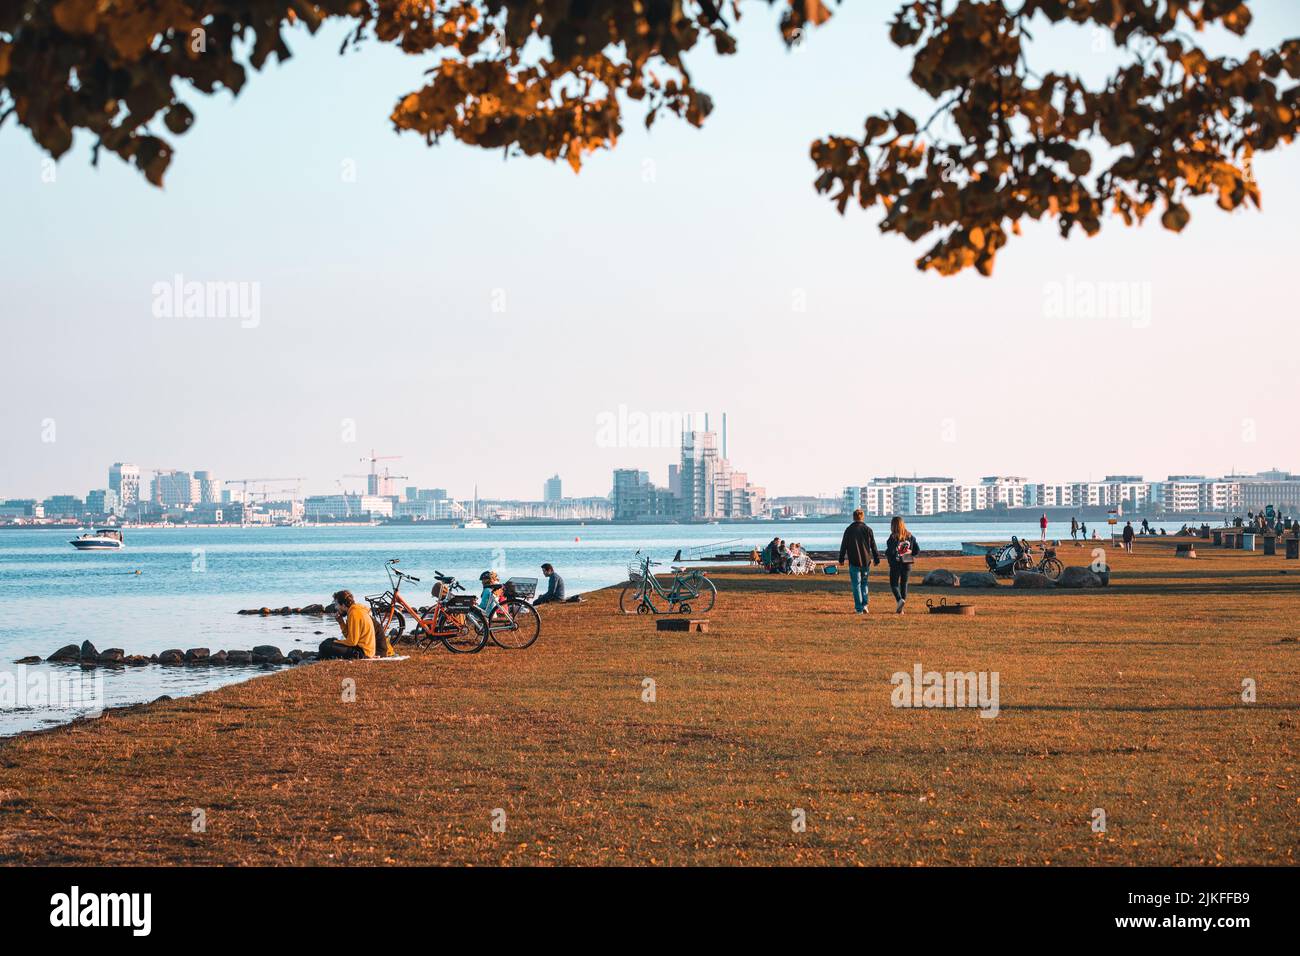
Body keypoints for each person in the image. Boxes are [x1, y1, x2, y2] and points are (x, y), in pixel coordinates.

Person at [837, 509, 880, 614]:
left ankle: (859, 608)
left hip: (854, 561)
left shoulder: (849, 530)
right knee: (864, 583)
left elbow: (844, 545)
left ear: (853, 517)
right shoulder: (868, 529)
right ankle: (865, 605)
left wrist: (841, 559)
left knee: (856, 585)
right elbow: (873, 546)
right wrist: (876, 558)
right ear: (863, 517)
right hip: (866, 561)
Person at [320, 589, 375, 659]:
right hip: (361, 648)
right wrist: (341, 622)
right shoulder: (354, 610)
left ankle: (322, 657)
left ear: (343, 605)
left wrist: (337, 642)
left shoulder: (354, 613)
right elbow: (349, 636)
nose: (336, 607)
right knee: (329, 641)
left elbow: (352, 642)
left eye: (336, 604)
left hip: (362, 652)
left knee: (324, 646)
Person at [885, 516, 921, 614]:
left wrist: (887, 554)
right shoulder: (910, 536)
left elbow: (891, 551)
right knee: (904, 584)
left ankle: (899, 600)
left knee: (894, 584)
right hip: (907, 563)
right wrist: (909, 554)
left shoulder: (893, 537)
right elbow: (917, 550)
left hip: (896, 564)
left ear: (893, 525)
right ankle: (902, 606)